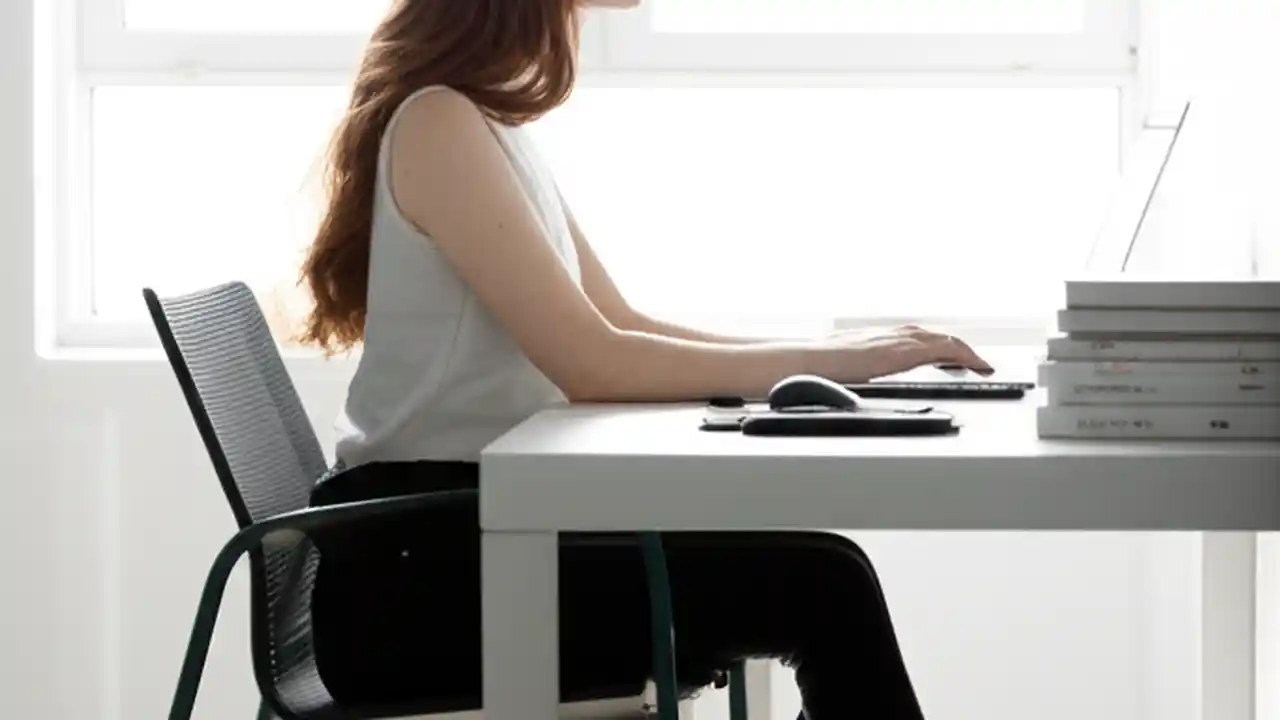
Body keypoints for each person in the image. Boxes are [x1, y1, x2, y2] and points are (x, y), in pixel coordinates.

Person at [300, 1, 992, 718]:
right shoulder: (439, 123)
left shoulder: (480, 123)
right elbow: (594, 365)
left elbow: (617, 325)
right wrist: (839, 363)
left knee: (822, 575)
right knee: (823, 585)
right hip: (422, 585)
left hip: (477, 545)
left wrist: (843, 356)